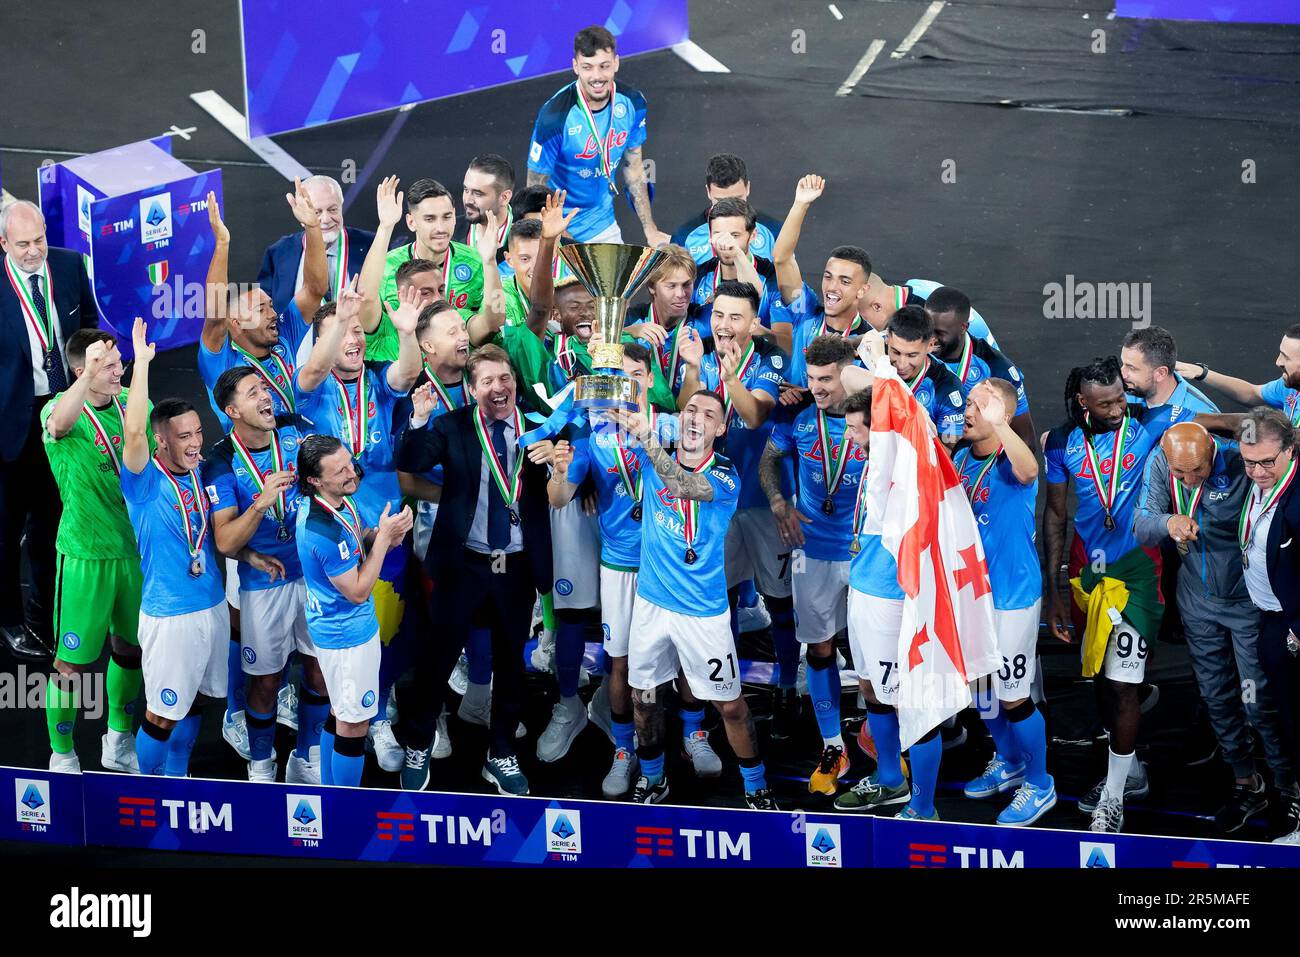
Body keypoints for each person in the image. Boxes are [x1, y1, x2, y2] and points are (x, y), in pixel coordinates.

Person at [547, 342, 723, 796]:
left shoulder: (670, 426)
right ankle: (624, 750)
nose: (624, 382)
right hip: (622, 565)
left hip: (669, 564)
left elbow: (702, 473)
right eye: (616, 375)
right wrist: (561, 472)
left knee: (686, 657)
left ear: (648, 379)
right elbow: (560, 497)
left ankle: (693, 732)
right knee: (621, 662)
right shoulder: (592, 433)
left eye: (634, 373)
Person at [394, 346, 558, 795]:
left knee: (511, 663)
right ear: (471, 389)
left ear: (514, 382)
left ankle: (501, 751)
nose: (498, 388)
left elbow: (572, 456)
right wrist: (419, 418)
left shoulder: (539, 428)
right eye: (486, 381)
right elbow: (412, 461)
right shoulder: (452, 425)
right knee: (436, 660)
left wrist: (558, 458)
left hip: (519, 566)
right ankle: (419, 741)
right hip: (463, 563)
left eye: (504, 378)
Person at [617, 390, 778, 809]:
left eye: (709, 415)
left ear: (721, 429)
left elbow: (682, 484)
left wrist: (648, 439)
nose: (697, 418)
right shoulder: (654, 453)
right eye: (690, 410)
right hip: (651, 604)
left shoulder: (725, 474)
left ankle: (756, 787)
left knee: (732, 707)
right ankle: (653, 779)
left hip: (702, 612)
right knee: (645, 698)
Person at [1134, 420, 1294, 834]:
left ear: (1213, 452)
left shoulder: (1242, 463)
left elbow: (1275, 444)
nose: (1187, 479)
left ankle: (1287, 785)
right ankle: (1247, 782)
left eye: (1197, 471)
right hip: (1197, 601)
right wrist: (1169, 523)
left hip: (1246, 603)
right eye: (1180, 473)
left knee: (1257, 700)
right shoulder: (1161, 461)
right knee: (1216, 696)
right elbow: (1141, 523)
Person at [294, 279, 422, 772]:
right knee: (341, 648)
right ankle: (346, 731)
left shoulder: (375, 382)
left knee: (383, 632)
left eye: (358, 331)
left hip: (380, 527)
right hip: (336, 532)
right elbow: (312, 368)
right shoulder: (311, 391)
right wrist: (338, 320)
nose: (354, 338)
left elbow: (406, 374)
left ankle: (378, 714)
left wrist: (407, 334)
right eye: (342, 332)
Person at [1043, 356, 1166, 833]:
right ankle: (1130, 770)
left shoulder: (1148, 422)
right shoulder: (1060, 444)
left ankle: (1113, 797)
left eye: (1120, 397)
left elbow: (1205, 418)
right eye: (1105, 403)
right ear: (1083, 402)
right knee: (1099, 676)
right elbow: (1055, 515)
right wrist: (1055, 588)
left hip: (1137, 572)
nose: (1117, 408)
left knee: (1121, 682)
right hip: (1086, 573)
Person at [676, 282, 798, 736]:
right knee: (719, 601)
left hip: (765, 501)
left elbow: (754, 416)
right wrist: (693, 370)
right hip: (714, 502)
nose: (725, 326)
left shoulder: (771, 361)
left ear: (753, 322)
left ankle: (787, 685)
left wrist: (730, 382)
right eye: (719, 316)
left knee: (780, 601)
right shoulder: (700, 355)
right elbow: (686, 414)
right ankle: (721, 688)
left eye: (736, 318)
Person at [119, 319, 235, 777]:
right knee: (162, 712)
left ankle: (177, 777)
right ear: (160, 440)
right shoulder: (143, 482)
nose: (194, 443)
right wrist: (142, 364)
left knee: (199, 700)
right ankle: (148, 792)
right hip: (170, 614)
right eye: (182, 437)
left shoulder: (205, 473)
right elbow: (132, 435)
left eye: (196, 433)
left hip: (211, 604)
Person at [758, 335, 866, 795]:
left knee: (872, 658)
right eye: (812, 378)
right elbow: (768, 459)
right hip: (813, 551)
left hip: (866, 555)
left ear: (848, 373)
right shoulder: (798, 415)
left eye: (827, 378)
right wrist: (780, 502)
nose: (817, 387)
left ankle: (887, 742)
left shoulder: (874, 418)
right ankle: (832, 745)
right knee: (818, 649)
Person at [207, 366, 325, 784]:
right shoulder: (220, 461)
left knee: (318, 669)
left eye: (265, 388)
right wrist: (260, 504)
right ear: (232, 410)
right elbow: (223, 541)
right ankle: (261, 763)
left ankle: (307, 755)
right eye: (253, 392)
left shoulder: (295, 431)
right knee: (265, 679)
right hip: (264, 585)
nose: (265, 395)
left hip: (313, 574)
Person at [41, 330, 147, 773]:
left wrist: (137, 366)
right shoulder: (59, 409)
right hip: (85, 556)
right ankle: (62, 753)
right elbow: (58, 425)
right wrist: (84, 378)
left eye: (118, 362)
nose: (117, 370)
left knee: (130, 650)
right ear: (82, 371)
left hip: (135, 553)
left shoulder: (130, 403)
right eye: (107, 364)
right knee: (71, 664)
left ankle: (118, 738)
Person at [0, 199, 99, 660]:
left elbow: (89, 332)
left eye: (39, 239)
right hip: (11, 426)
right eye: (22, 244)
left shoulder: (70, 265)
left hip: (64, 412)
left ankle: (47, 611)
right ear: (4, 244)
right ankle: (9, 620)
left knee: (54, 520)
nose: (34, 250)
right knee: (5, 530)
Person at [955, 379, 1054, 826]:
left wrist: (1004, 426)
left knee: (1014, 697)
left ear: (1004, 416)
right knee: (980, 687)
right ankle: (1009, 759)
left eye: (982, 406)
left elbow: (1031, 470)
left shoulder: (1011, 465)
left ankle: (1040, 784)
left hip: (1011, 598)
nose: (969, 410)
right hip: (971, 597)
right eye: (970, 402)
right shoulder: (959, 458)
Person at [295, 434, 412, 786]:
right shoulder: (321, 530)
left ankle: (332, 798)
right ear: (314, 480)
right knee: (354, 723)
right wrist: (384, 543)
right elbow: (359, 591)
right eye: (340, 470)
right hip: (345, 636)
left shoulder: (339, 504)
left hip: (345, 630)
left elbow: (359, 543)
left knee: (340, 711)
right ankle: (344, 811)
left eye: (349, 462)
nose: (352, 472)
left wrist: (383, 536)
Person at [527, 25, 667, 246]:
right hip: (558, 226)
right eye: (587, 67)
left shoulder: (633, 103)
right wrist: (561, 238)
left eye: (604, 66)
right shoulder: (555, 117)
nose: (597, 76)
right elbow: (535, 187)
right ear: (575, 67)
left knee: (615, 280)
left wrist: (650, 228)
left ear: (616, 63)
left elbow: (634, 168)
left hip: (601, 221)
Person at [201, 183, 327, 429]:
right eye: (261, 309)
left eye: (270, 305)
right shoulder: (223, 361)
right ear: (236, 323)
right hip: (256, 460)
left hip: (302, 448)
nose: (272, 314)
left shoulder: (283, 336)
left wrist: (313, 228)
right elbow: (215, 316)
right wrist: (222, 244)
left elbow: (315, 289)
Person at [1234, 409, 1300, 844]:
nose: (1257, 472)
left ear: (1291, 452)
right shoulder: (1261, 478)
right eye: (1248, 462)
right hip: (1269, 619)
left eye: (1266, 463)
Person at [770, 174, 875, 389]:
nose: (832, 287)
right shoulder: (805, 312)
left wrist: (809, 394)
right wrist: (801, 204)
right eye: (828, 277)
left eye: (845, 281)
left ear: (863, 290)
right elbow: (781, 259)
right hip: (796, 421)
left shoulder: (869, 342)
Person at [926, 285, 1037, 451]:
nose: (931, 339)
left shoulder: (998, 369)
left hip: (978, 468)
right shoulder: (911, 355)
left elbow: (1025, 440)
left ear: (963, 328)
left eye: (939, 333)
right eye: (927, 330)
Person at [258, 174, 375, 315]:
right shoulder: (279, 252)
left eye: (333, 209)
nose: (325, 219)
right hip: (299, 336)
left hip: (354, 334)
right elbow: (263, 309)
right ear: (300, 215)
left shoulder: (370, 246)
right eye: (316, 212)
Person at [691, 198, 787, 350]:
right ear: (709, 235)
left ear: (753, 235)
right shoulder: (698, 277)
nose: (726, 243)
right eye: (718, 234)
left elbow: (787, 344)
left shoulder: (773, 277)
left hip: (759, 370)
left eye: (734, 236)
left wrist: (748, 326)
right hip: (708, 370)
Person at [1175, 324, 1300, 431]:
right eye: (1280, 353)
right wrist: (1202, 373)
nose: (1278, 362)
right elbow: (1253, 393)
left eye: (1286, 357)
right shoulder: (1291, 388)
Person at [622, 244, 712, 387]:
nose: (681, 294)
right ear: (651, 287)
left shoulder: (706, 319)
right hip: (643, 407)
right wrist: (629, 332)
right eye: (671, 286)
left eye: (686, 284)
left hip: (691, 407)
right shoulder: (631, 319)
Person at [671, 153, 781, 264]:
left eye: (737, 199)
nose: (730, 208)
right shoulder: (684, 235)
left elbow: (789, 278)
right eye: (720, 201)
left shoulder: (773, 231)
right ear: (708, 192)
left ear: (748, 188)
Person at [884, 305, 966, 448]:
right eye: (896, 352)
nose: (901, 364)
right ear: (887, 339)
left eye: (912, 355)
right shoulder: (873, 354)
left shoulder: (948, 389)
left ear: (930, 345)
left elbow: (949, 455)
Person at [462, 154, 515, 280]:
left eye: (478, 193)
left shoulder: (529, 236)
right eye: (466, 190)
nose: (468, 200)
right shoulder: (450, 234)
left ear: (504, 197)